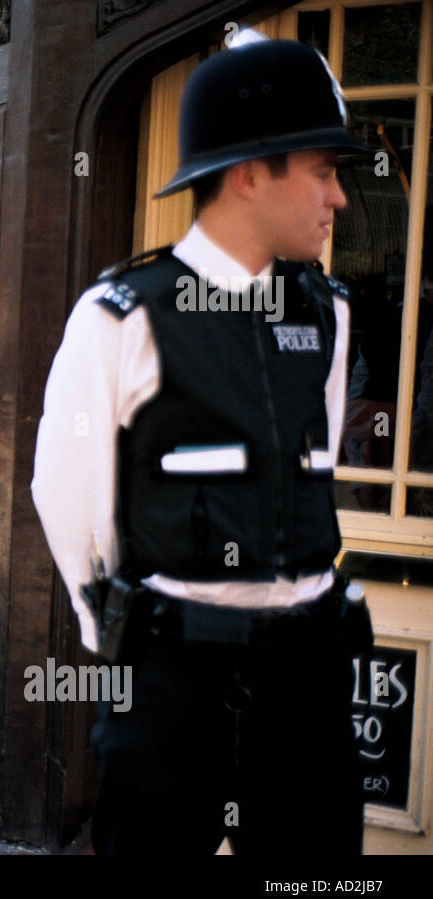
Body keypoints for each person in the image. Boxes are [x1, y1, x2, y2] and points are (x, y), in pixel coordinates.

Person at [31, 33, 375, 855]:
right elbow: (67, 497)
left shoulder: (326, 310)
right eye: (323, 172)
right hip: (171, 678)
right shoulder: (122, 313)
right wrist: (137, 638)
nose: (340, 199)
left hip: (308, 675)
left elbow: (310, 468)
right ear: (250, 172)